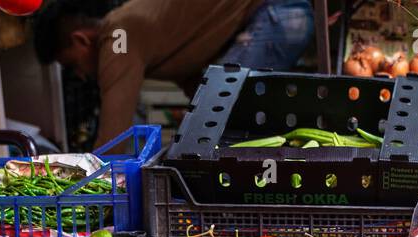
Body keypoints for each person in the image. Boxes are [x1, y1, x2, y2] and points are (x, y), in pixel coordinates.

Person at [33, 0, 315, 146]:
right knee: (213, 129)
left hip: (277, 13)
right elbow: (199, 86)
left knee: (216, 130)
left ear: (81, 40)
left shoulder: (118, 33)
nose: (80, 75)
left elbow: (114, 136)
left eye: (73, 65)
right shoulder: (149, 36)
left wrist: (84, 183)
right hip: (282, 16)